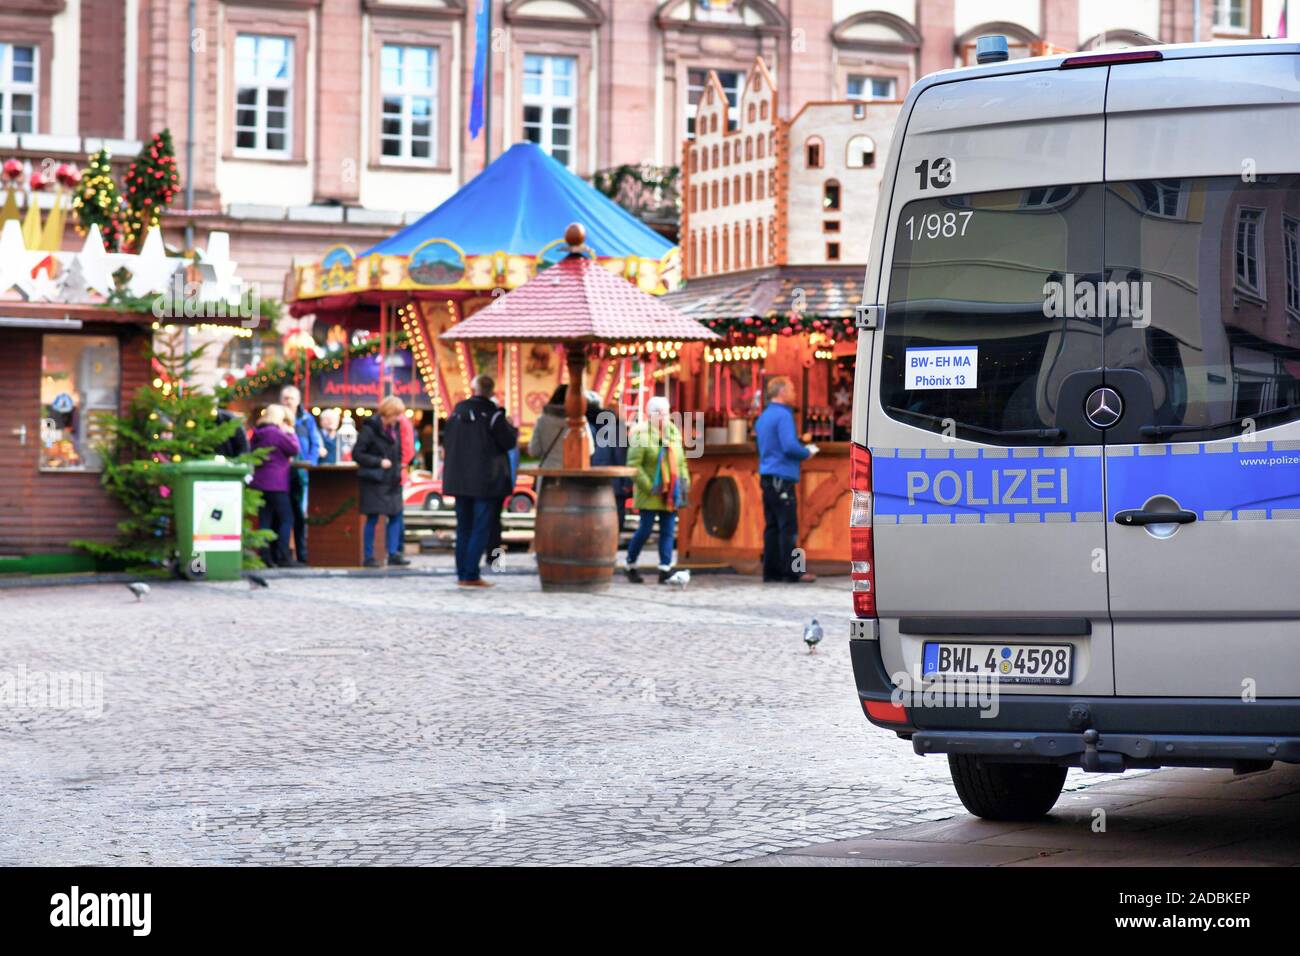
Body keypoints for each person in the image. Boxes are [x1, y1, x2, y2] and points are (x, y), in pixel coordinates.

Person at [443, 374, 518, 589]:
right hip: (485, 481)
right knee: (480, 527)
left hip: (459, 479)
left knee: (463, 527)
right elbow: (508, 442)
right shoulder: (493, 415)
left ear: (473, 388)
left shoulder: (457, 412)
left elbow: (447, 440)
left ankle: (462, 573)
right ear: (492, 391)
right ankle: (471, 574)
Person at [754, 376, 819, 583]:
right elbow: (789, 446)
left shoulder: (763, 416)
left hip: (767, 475)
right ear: (781, 392)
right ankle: (793, 571)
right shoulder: (783, 416)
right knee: (788, 526)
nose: (795, 393)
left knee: (772, 526)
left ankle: (771, 571)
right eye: (791, 389)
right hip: (782, 476)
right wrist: (806, 452)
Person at [623, 396, 690, 584]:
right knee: (645, 529)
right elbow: (634, 465)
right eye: (658, 413)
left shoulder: (674, 433)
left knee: (668, 530)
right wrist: (650, 486)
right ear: (648, 415)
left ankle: (665, 568)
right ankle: (630, 564)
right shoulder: (640, 435)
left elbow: (681, 461)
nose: (663, 416)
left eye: (666, 412)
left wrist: (684, 483)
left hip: (671, 493)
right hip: (650, 492)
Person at [351, 396, 411, 568]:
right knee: (373, 518)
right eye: (397, 414)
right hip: (375, 480)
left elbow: (398, 451)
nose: (399, 418)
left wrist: (399, 468)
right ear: (389, 413)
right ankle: (368, 556)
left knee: (396, 515)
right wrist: (378, 462)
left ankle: (393, 554)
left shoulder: (395, 427)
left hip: (392, 479)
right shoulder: (370, 429)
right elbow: (358, 454)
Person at [249, 404, 300, 567]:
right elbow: (294, 449)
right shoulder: (276, 433)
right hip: (276, 483)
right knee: (287, 518)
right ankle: (283, 556)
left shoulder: (257, 433)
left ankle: (265, 557)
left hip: (259, 482)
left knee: (265, 520)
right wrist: (291, 434)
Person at [280, 385, 321, 565]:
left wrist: (309, 464)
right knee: (285, 514)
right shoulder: (276, 419)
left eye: (292, 398)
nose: (288, 401)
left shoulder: (306, 419)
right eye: (286, 398)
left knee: (299, 515)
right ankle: (284, 553)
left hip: (302, 472)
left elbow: (315, 443)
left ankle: (302, 554)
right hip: (282, 473)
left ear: (298, 401)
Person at [589, 393, 631, 536]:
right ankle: (611, 542)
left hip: (597, 477)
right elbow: (621, 456)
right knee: (616, 514)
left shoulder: (596, 429)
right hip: (614, 479)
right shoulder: (618, 430)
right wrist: (627, 481)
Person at [528, 384, 593, 470]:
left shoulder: (542, 420)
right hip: (574, 473)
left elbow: (534, 450)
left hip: (549, 472)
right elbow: (590, 450)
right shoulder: (580, 420)